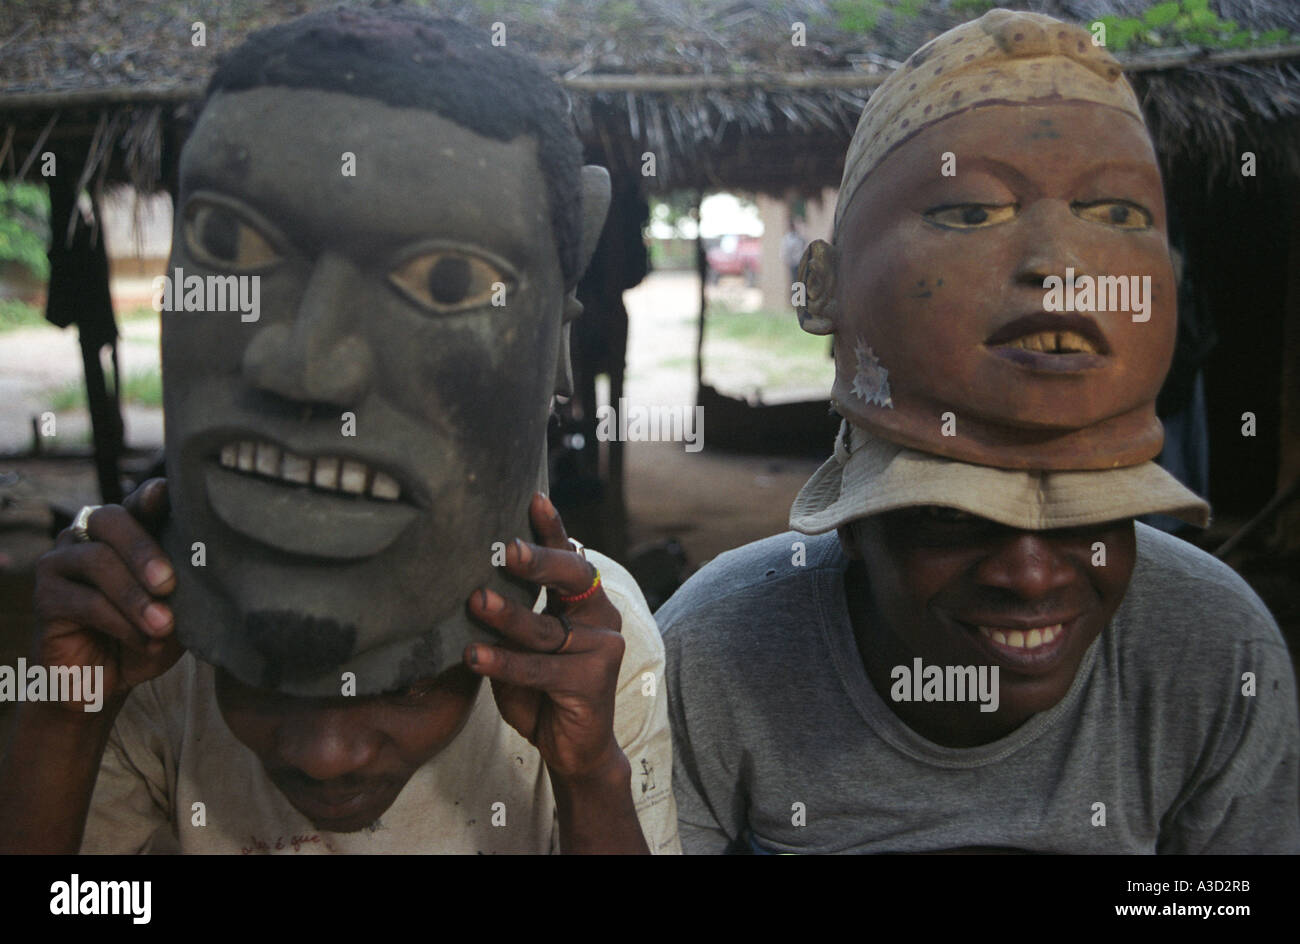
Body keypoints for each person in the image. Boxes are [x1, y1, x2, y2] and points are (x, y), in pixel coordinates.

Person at [0, 8, 679, 855]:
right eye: (228, 238)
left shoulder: (593, 648)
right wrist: (66, 720)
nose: (327, 756)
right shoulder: (140, 630)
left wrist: (589, 774)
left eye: (448, 277)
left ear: (556, 340)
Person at [657, 9, 1299, 854]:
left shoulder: (1215, 651)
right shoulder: (716, 655)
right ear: (854, 526)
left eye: (1087, 518)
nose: (1031, 576)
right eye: (952, 518)